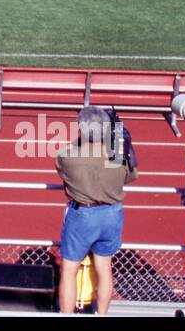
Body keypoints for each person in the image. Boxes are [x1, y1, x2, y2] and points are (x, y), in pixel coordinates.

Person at [55, 106, 138, 314]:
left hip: (82, 215)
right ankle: (101, 314)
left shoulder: (68, 155)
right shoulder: (117, 155)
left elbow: (62, 169)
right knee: (104, 267)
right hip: (112, 214)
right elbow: (131, 176)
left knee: (69, 270)